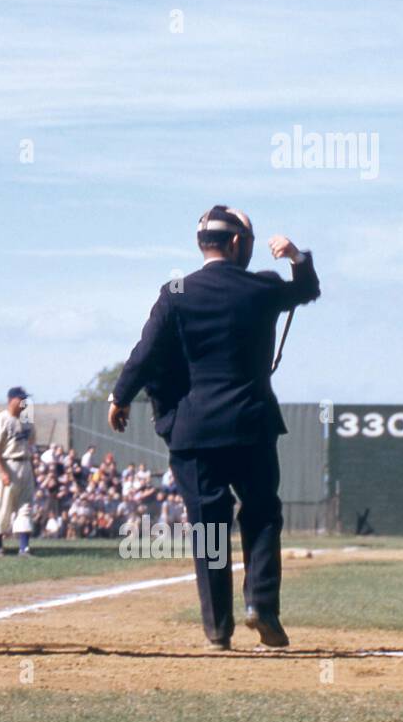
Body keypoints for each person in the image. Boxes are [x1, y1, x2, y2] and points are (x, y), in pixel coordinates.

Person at [109, 205, 319, 651]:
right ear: (238, 243)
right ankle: (261, 605)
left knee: (209, 527)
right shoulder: (263, 286)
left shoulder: (175, 291)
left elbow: (145, 352)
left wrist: (120, 397)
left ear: (201, 244)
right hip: (251, 424)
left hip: (193, 430)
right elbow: (307, 290)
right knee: (261, 514)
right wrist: (296, 256)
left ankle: (218, 630)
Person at [0, 386, 37, 557]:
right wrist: (1, 472)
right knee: (2, 507)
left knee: (26, 506)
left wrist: (31, 468)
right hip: (7, 464)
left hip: (24, 464)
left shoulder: (27, 420)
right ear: (11, 400)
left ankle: (24, 547)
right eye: (20, 399)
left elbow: (31, 443)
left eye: (25, 399)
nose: (24, 402)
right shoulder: (1, 419)